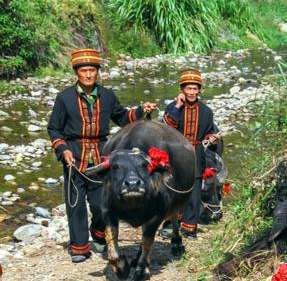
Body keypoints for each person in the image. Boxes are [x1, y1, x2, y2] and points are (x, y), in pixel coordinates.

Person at [48, 48, 157, 263]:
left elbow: (122, 117)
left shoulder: (106, 96)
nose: (88, 75)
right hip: (74, 156)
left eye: (92, 70)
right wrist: (63, 150)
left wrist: (141, 111)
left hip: (100, 155)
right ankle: (79, 247)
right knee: (75, 204)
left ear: (98, 72)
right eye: (84, 71)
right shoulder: (65, 98)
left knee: (101, 204)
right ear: (76, 72)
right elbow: (54, 129)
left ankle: (99, 233)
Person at [162, 69, 219, 239]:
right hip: (176, 154)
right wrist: (178, 107)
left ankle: (189, 228)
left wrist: (212, 138)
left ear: (199, 90)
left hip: (196, 154)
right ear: (182, 90)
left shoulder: (207, 111)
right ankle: (169, 224)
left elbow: (208, 133)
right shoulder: (173, 107)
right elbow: (166, 127)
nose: (192, 92)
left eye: (195, 89)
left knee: (194, 192)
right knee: (173, 190)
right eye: (188, 89)